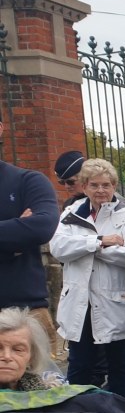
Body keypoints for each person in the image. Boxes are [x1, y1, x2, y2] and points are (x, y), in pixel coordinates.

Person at [49, 159, 125, 399]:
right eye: (94, 185)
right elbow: (58, 248)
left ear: (114, 186)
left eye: (106, 185)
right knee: (79, 367)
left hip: (117, 302)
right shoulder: (71, 213)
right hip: (81, 303)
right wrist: (100, 241)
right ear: (84, 186)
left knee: (119, 368)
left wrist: (84, 249)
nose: (101, 190)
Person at [0, 118, 60, 358]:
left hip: (27, 313)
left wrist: (28, 230)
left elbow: (42, 227)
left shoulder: (28, 181)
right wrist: (16, 236)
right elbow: (28, 231)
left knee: (40, 391)